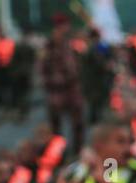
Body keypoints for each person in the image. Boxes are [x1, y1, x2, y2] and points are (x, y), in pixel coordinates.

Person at [41, 13, 84, 155]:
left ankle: (77, 151)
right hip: (57, 88)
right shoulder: (50, 44)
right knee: (56, 125)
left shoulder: (70, 42)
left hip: (72, 87)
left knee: (77, 123)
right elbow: (43, 66)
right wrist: (50, 83)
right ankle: (57, 154)